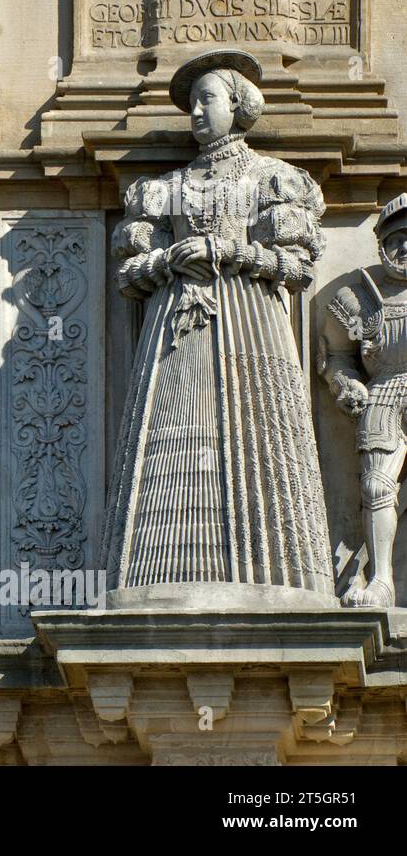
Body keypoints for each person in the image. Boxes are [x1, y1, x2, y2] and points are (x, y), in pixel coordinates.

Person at [102, 49, 334, 601]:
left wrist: (236, 253)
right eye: (191, 105)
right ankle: (161, 576)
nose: (197, 114)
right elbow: (129, 275)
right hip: (176, 324)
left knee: (262, 434)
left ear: (239, 105)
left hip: (253, 321)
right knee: (174, 431)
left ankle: (279, 578)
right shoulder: (162, 189)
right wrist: (167, 260)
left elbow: (298, 266)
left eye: (207, 99)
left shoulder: (276, 180)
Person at [321, 193, 407, 607]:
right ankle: (383, 579)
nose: (406, 246)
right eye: (398, 236)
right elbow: (335, 355)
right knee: (375, 485)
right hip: (385, 388)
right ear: (382, 242)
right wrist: (346, 382)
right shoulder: (359, 297)